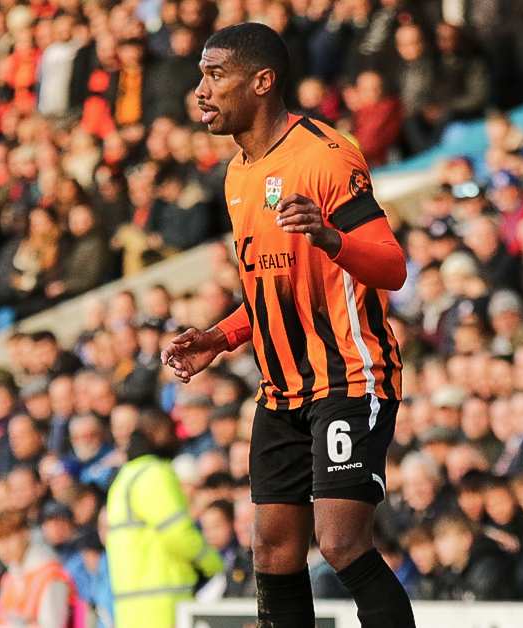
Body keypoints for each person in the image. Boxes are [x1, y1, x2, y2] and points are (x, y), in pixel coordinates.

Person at [165, 23, 412, 628]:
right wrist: (219, 338)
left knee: (340, 542)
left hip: (349, 377)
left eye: (215, 74)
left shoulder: (325, 156)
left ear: (262, 80)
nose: (200, 89)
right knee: (271, 550)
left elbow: (393, 266)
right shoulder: (237, 173)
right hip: (282, 391)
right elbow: (276, 288)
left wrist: (331, 236)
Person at [105, 409, 223, 628]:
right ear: (158, 433)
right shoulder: (155, 474)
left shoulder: (125, 477)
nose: (177, 439)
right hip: (164, 608)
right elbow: (177, 534)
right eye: (172, 432)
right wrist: (215, 565)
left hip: (131, 610)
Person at [0, 509, 75, 628]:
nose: (2, 549)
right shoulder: (10, 577)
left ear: (25, 533)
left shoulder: (51, 576)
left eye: (8, 538)